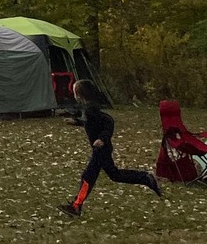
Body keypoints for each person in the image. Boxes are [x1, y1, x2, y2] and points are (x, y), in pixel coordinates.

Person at [61, 82, 161, 217]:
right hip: (102, 150)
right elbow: (92, 123)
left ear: (79, 94)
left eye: (74, 90)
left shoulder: (91, 110)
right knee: (115, 175)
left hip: (101, 150)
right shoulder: (88, 108)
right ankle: (145, 178)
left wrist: (102, 138)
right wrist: (77, 123)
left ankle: (76, 206)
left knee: (87, 177)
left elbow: (108, 121)